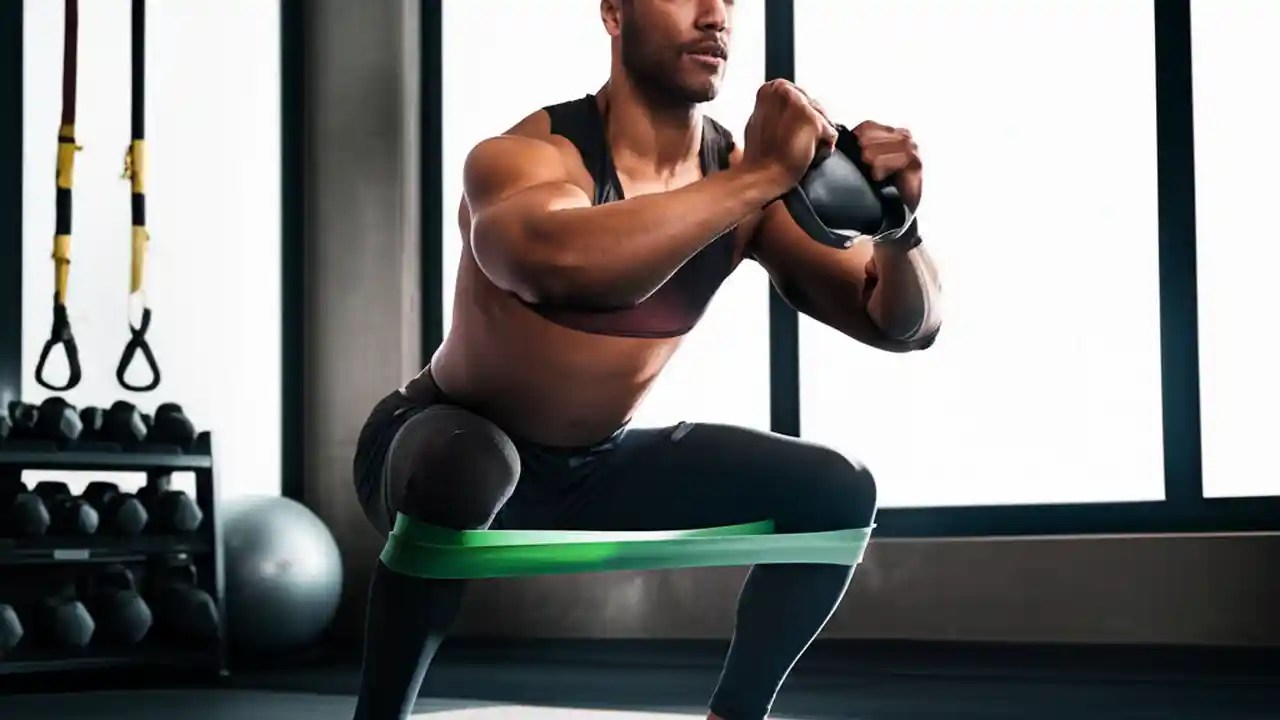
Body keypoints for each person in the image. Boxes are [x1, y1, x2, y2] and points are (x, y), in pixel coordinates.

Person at [350, 0, 943, 718]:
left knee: (837, 490)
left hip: (595, 466)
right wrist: (757, 179)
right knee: (471, 463)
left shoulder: (742, 179)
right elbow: (561, 269)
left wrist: (899, 231)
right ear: (614, 12)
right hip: (435, 443)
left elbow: (901, 327)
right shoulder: (529, 157)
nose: (714, 16)